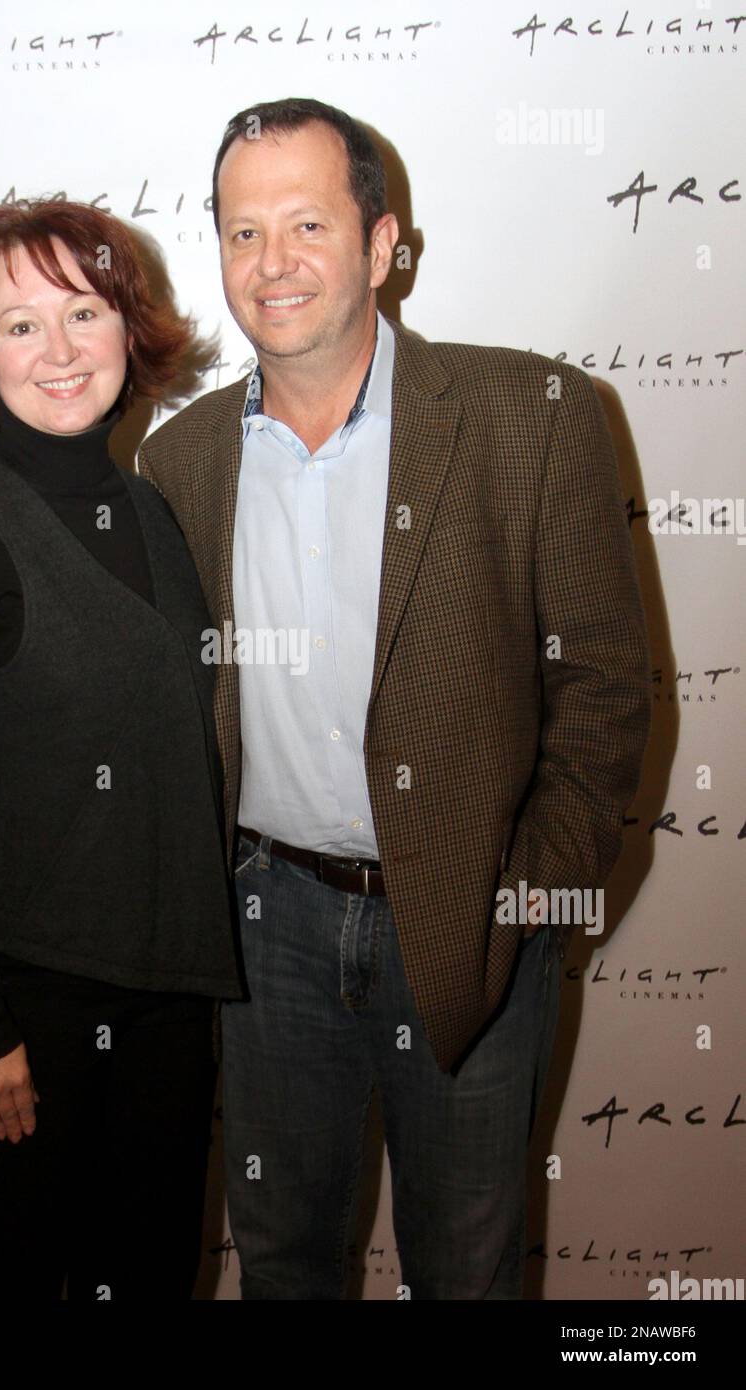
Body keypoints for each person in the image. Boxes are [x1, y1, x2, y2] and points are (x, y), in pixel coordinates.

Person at [136, 98, 652, 1299]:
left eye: (308, 223)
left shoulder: (534, 418)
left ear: (380, 245)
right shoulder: (183, 458)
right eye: (242, 231)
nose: (273, 264)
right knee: (284, 1265)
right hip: (266, 935)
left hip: (464, 929)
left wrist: (520, 900)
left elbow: (604, 691)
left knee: (466, 1272)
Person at [0, 198, 243, 1300]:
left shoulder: (152, 511)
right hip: (20, 1015)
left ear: (131, 326)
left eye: (84, 311)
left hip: (166, 1007)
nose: (61, 351)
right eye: (20, 325)